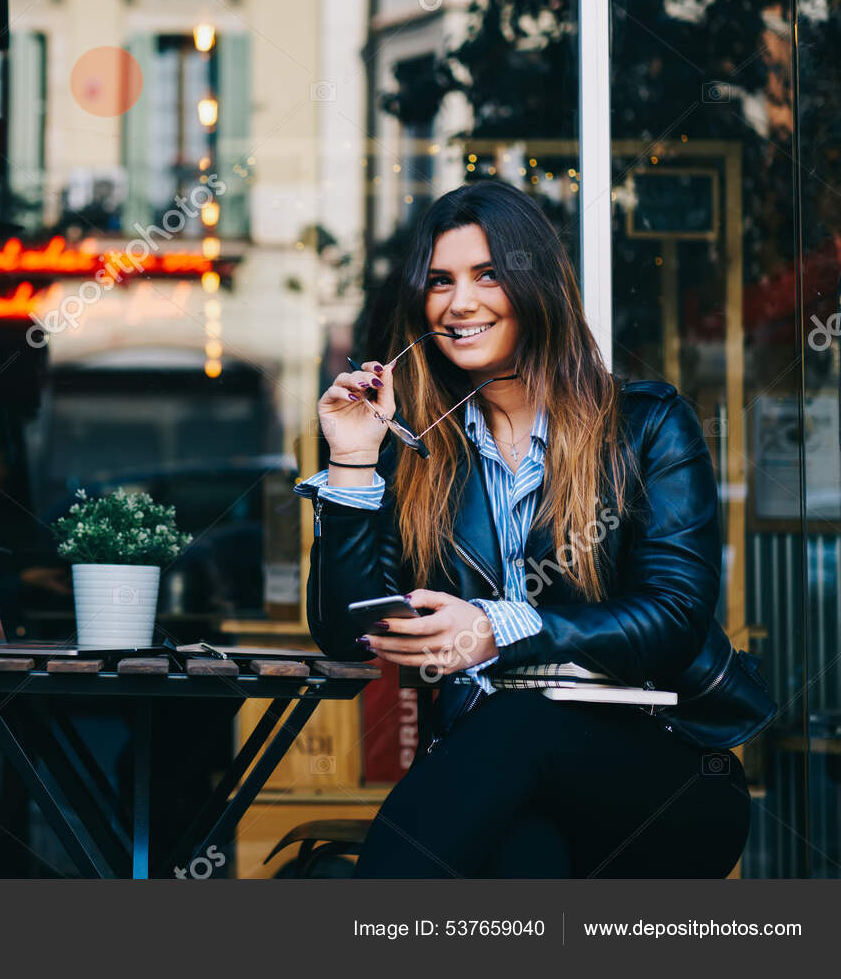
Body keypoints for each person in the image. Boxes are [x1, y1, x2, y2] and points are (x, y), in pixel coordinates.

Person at [298, 181, 776, 878]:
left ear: (537, 283)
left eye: (487, 274)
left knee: (523, 718)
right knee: (528, 855)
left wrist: (502, 629)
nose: (460, 302)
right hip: (498, 782)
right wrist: (350, 460)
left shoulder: (647, 425)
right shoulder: (416, 452)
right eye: (439, 282)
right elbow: (347, 634)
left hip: (666, 775)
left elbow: (673, 617)